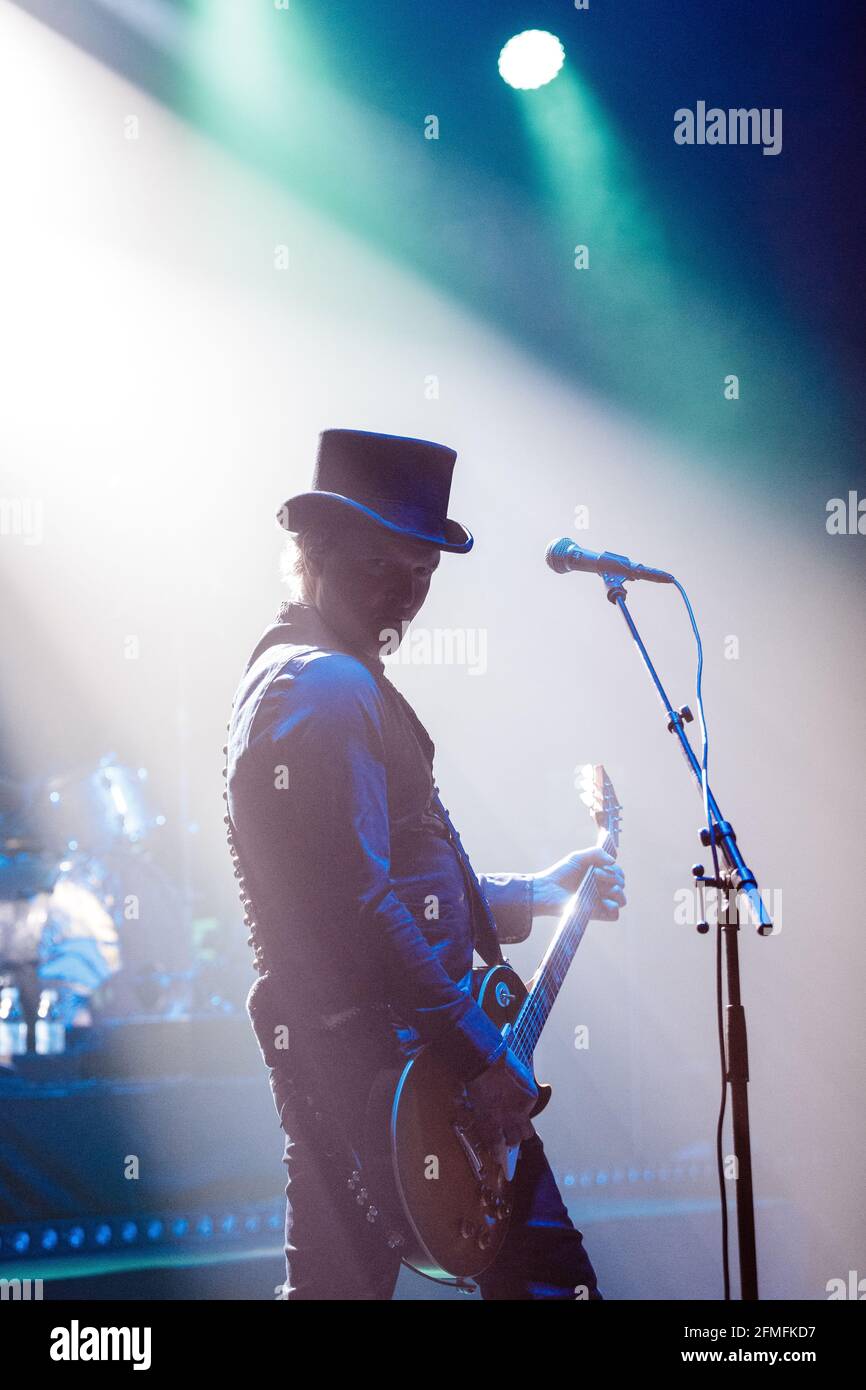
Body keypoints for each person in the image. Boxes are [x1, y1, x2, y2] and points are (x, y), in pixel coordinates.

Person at [225, 428, 625, 1299]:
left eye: (423, 571)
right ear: (316, 552)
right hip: (397, 1062)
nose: (407, 594)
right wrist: (483, 1054)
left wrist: (537, 892)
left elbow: (398, 884)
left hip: (404, 1058)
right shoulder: (323, 688)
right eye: (382, 565)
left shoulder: (331, 676)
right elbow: (363, 907)